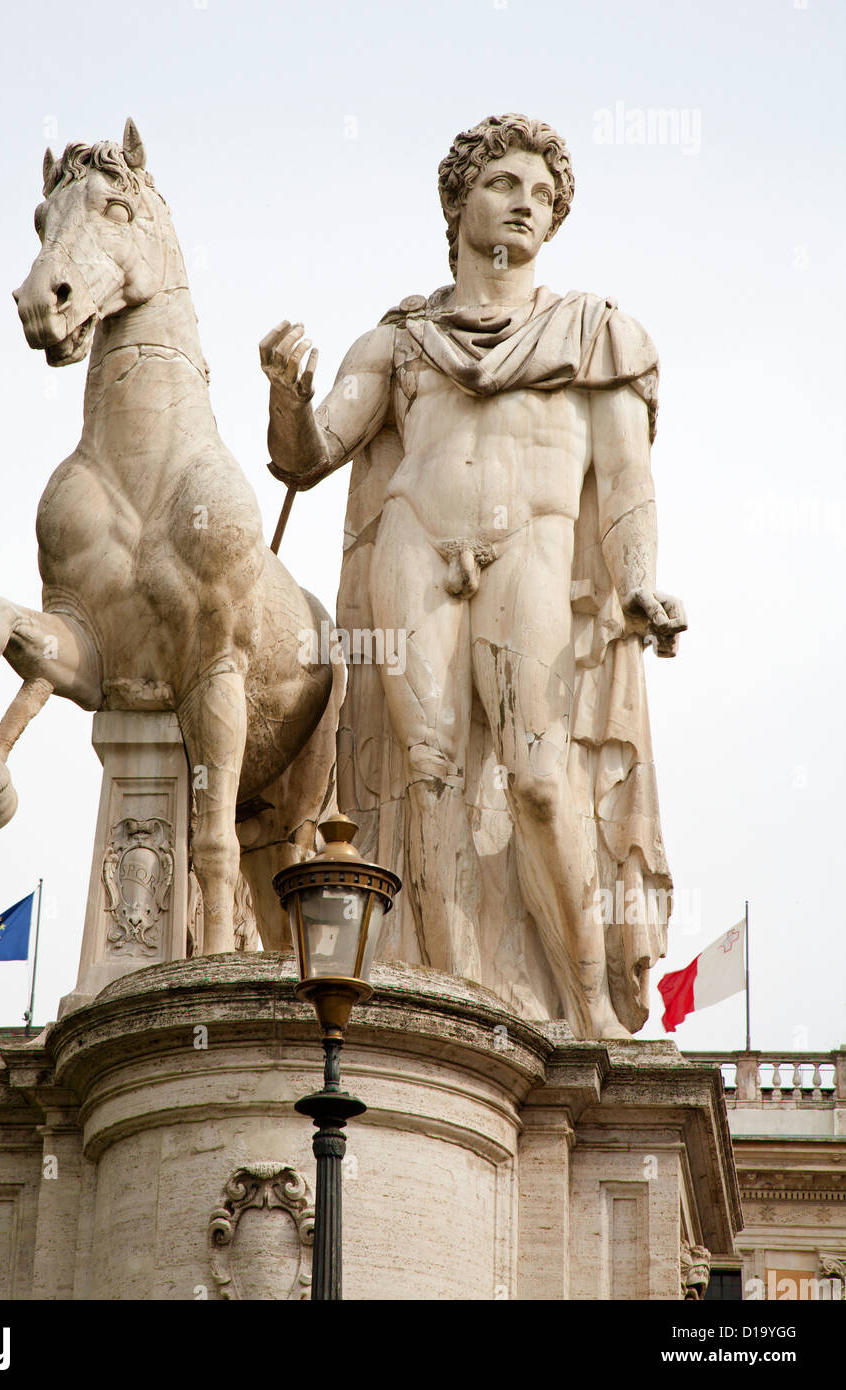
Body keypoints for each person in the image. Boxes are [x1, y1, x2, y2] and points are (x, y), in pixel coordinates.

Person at [260, 114, 686, 1038]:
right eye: (504, 185)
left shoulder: (597, 334)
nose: (525, 204)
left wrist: (639, 581)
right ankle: (454, 1003)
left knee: (540, 780)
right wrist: (284, 396)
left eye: (542, 194)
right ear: (458, 202)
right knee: (429, 776)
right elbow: (308, 456)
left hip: (532, 547)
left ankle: (590, 1013)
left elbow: (623, 485)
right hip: (416, 540)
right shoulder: (402, 339)